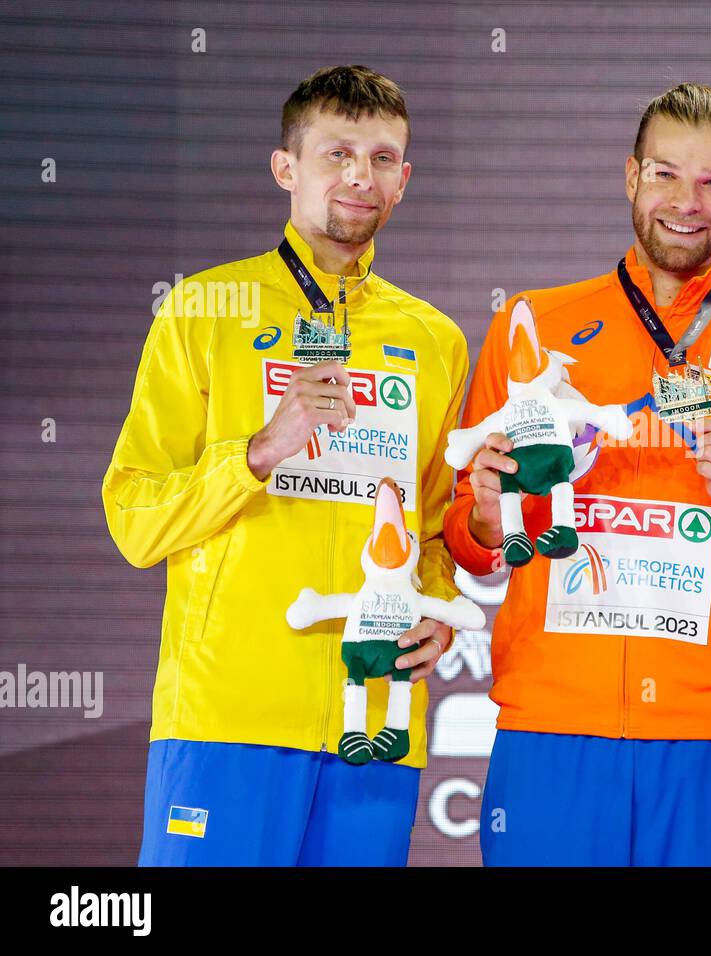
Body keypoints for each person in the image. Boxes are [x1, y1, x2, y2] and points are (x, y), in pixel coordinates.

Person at [443, 82, 711, 866]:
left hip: (706, 737)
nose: (685, 201)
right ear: (630, 177)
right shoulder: (531, 327)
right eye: (665, 173)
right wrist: (490, 517)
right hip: (551, 726)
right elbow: (467, 537)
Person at [103, 65, 469, 866]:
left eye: (380, 159)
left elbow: (435, 530)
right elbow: (134, 517)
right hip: (227, 720)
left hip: (375, 723)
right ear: (286, 169)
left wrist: (436, 608)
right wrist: (260, 453)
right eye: (337, 153)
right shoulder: (202, 310)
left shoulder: (435, 340)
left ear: (403, 181)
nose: (359, 177)